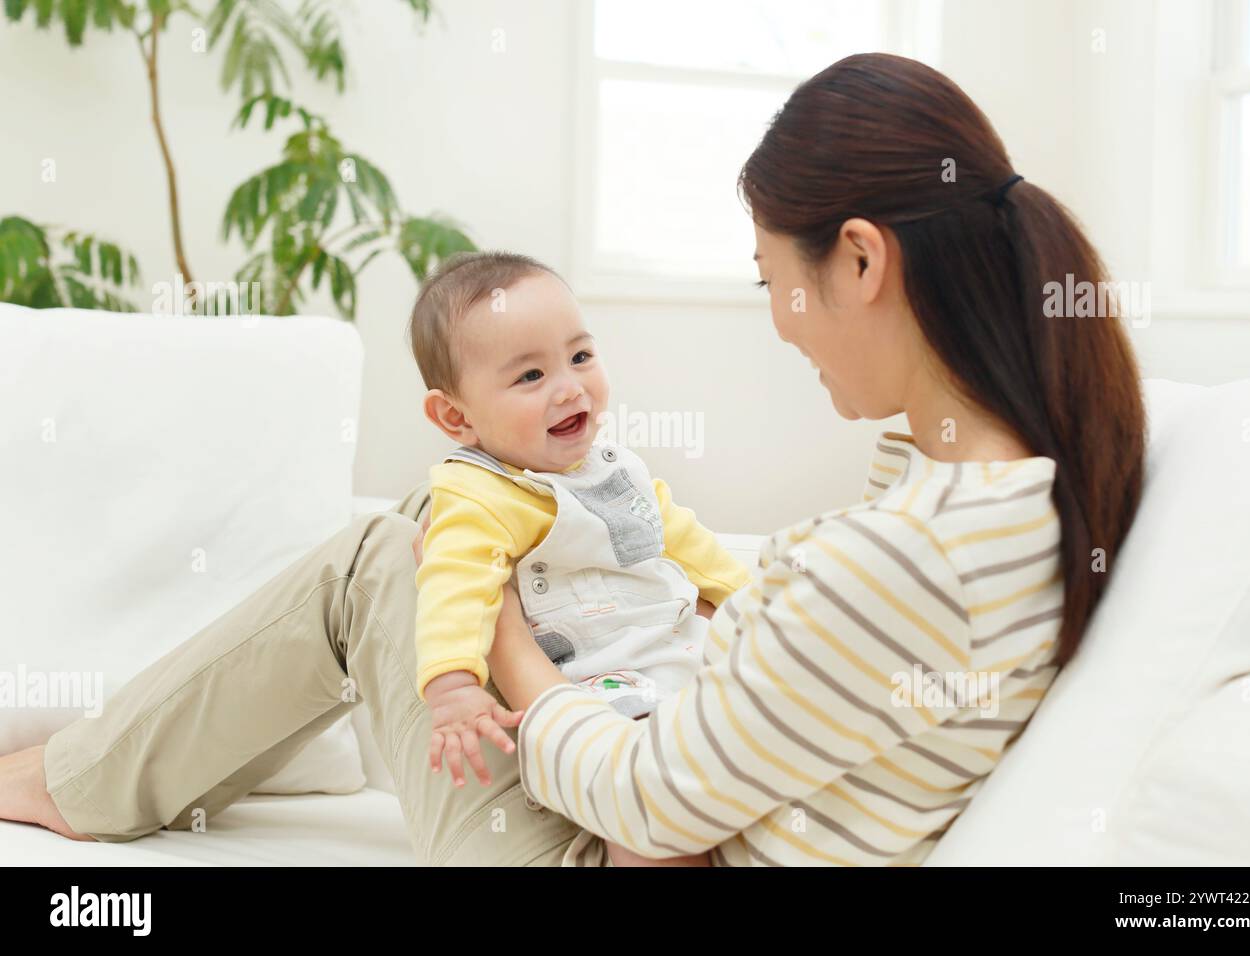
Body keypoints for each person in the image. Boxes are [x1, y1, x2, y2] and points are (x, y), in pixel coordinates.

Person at [0, 52, 1144, 866]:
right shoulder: (1019, 478)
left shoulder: (911, 559)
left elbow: (649, 804)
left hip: (613, 844)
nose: (780, 322)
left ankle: (69, 778)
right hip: (663, 791)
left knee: (384, 552)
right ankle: (114, 766)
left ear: (857, 260)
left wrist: (493, 627)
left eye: (770, 282)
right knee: (447, 514)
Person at [407, 251, 750, 866]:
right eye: (530, 377)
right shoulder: (473, 494)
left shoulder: (617, 471)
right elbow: (451, 586)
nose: (570, 387)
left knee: (719, 747)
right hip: (595, 682)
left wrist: (752, 604)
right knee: (645, 795)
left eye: (580, 357)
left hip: (678, 651)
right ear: (455, 416)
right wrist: (453, 688)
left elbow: (690, 546)